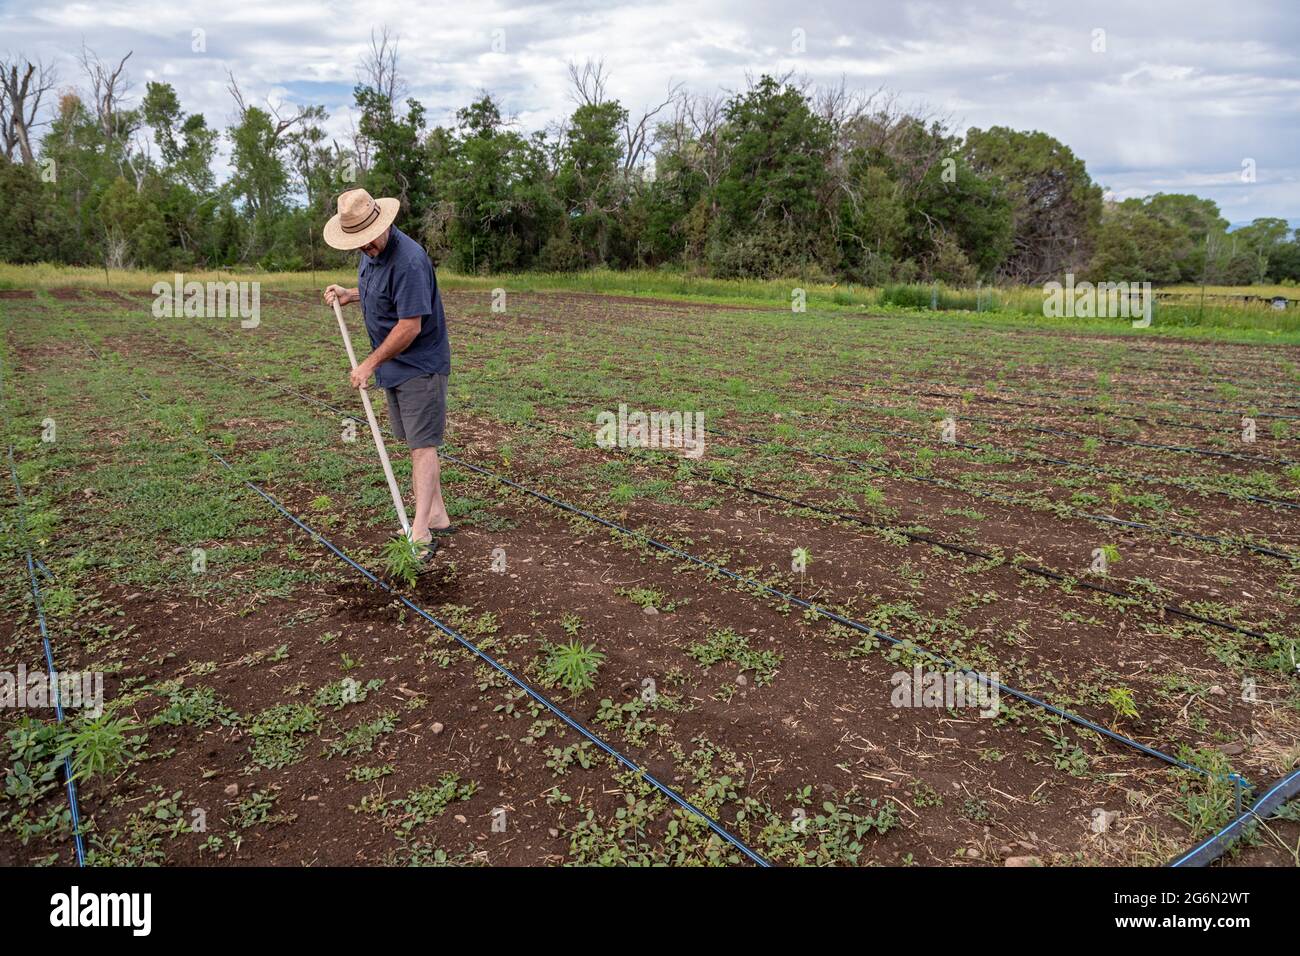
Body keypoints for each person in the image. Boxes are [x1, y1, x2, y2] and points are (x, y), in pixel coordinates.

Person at [321, 186, 452, 552]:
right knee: (415, 441)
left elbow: (409, 326)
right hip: (394, 366)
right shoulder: (371, 251)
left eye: (368, 240)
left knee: (422, 446)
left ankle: (422, 529)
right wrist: (349, 293)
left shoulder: (409, 260)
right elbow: (379, 288)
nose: (365, 248)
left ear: (384, 223)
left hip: (419, 364)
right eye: (358, 242)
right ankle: (437, 515)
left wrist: (368, 363)